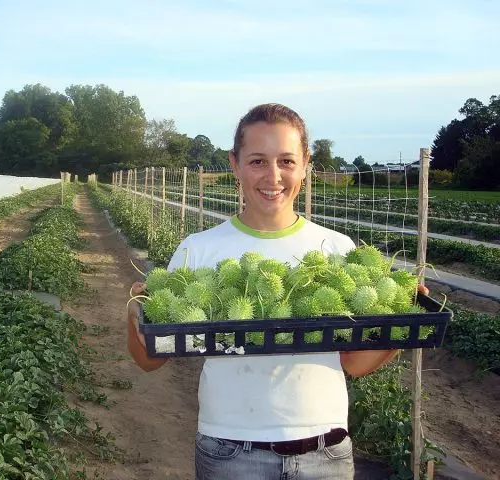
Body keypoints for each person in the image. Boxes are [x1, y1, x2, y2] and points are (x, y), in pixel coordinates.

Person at [127, 103, 428, 480]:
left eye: (286, 161)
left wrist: (404, 321)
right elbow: (150, 359)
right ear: (234, 165)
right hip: (229, 451)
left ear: (305, 164)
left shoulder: (336, 250)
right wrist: (134, 312)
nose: (273, 176)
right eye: (257, 161)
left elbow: (354, 364)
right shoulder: (198, 250)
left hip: (326, 451)